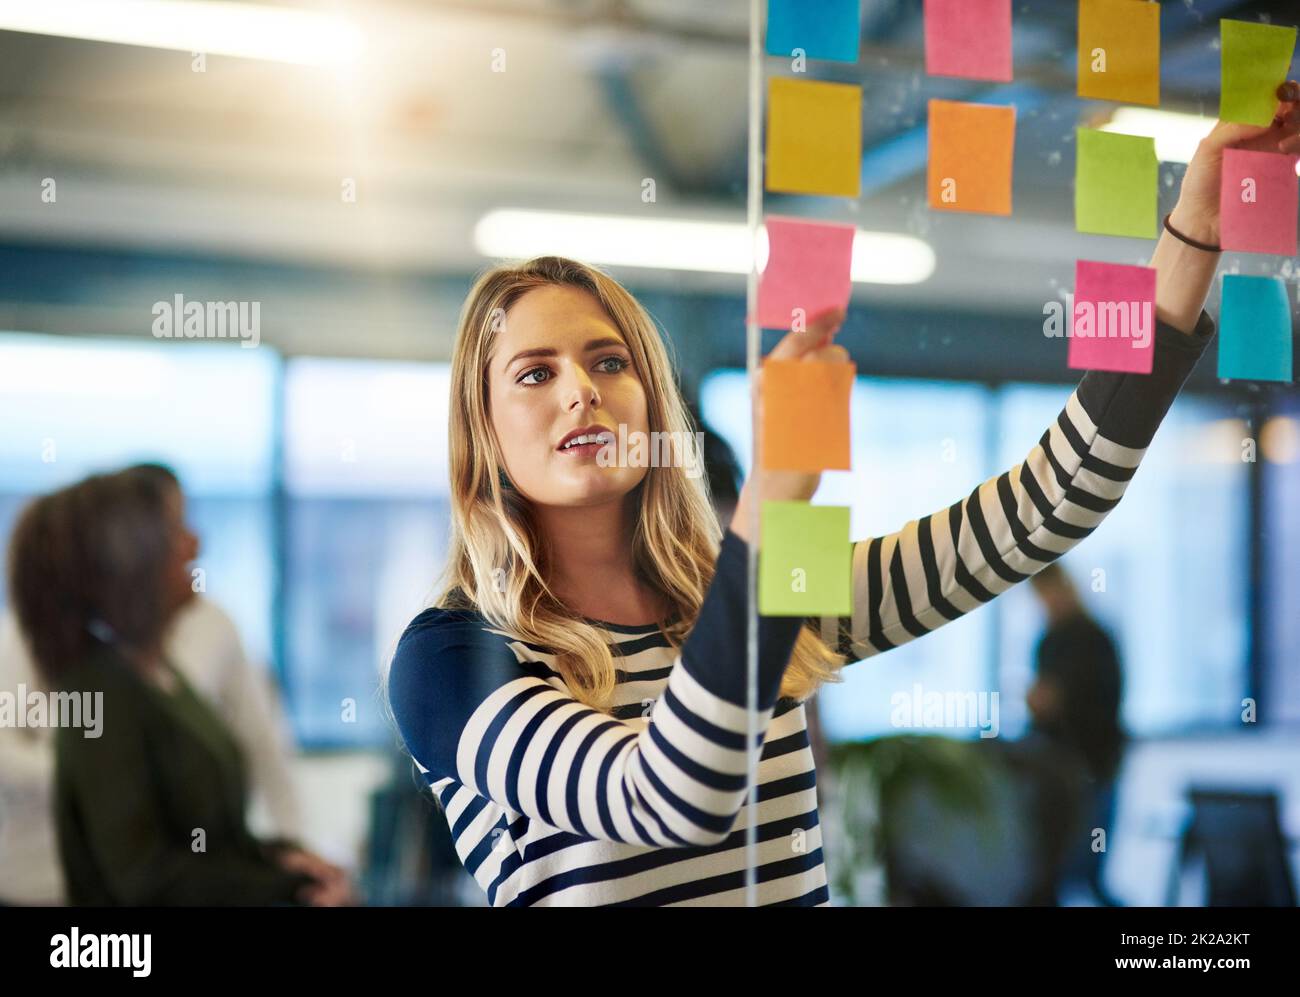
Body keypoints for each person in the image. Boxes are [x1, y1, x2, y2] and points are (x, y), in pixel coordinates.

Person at [384, 88, 1300, 906]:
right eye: (534, 374)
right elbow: (664, 797)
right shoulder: (451, 658)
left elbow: (1042, 508)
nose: (580, 389)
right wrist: (772, 513)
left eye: (608, 361)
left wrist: (1194, 232)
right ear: (487, 436)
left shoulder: (770, 592)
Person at [6, 468, 352, 906]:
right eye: (176, 533)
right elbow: (146, 879)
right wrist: (292, 888)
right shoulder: (102, 690)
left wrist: (283, 859)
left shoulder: (159, 673)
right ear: (134, 562)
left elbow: (210, 839)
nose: (195, 545)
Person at [1025, 562, 1126, 905]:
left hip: (1090, 769)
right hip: (1056, 771)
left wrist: (1054, 701)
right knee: (1057, 874)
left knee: (1081, 870)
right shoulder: (1050, 641)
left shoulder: (1093, 639)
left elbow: (1101, 706)